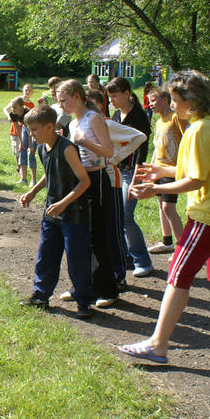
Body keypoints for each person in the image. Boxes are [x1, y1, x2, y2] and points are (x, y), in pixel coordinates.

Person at [118, 70, 210, 364]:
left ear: (191, 101)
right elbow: (198, 169)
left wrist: (154, 189)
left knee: (177, 275)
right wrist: (162, 171)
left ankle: (158, 344)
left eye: (175, 100)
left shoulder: (199, 130)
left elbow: (196, 180)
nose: (171, 105)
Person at [19, 104, 97, 320]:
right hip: (51, 213)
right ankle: (41, 295)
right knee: (46, 256)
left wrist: (64, 203)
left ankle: (84, 302)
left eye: (34, 130)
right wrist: (33, 191)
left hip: (73, 214)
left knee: (76, 259)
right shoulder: (44, 148)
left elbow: (84, 181)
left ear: (50, 127)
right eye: (29, 130)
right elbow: (49, 173)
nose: (31, 134)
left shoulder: (67, 148)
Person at [55, 79, 119, 308]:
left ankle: (108, 290)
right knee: (80, 235)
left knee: (97, 236)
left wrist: (84, 143)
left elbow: (109, 151)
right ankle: (82, 286)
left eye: (63, 100)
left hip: (98, 179)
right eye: (59, 101)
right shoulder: (73, 123)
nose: (61, 104)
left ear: (76, 96)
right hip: (81, 180)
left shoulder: (93, 118)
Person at [88, 89, 146, 288]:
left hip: (112, 181)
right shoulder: (81, 125)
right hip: (94, 182)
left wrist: (115, 158)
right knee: (99, 231)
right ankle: (102, 275)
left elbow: (139, 137)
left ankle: (121, 273)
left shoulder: (108, 124)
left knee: (115, 228)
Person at [107, 77, 154, 277]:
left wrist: (136, 178)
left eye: (115, 96)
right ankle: (125, 257)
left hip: (133, 172)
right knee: (117, 217)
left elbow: (140, 152)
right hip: (117, 171)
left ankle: (143, 260)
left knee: (126, 217)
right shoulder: (117, 114)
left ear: (127, 93)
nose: (112, 101)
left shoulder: (139, 116)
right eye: (110, 97)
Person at [146, 85, 188, 255]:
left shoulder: (176, 117)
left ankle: (182, 249)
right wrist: (151, 165)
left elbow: (190, 137)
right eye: (149, 101)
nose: (151, 104)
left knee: (168, 208)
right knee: (161, 205)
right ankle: (167, 241)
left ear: (165, 100)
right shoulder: (158, 121)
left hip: (173, 170)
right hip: (159, 169)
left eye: (154, 100)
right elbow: (157, 147)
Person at [3, 96, 28, 182]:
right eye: (12, 107)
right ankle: (22, 174)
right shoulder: (13, 114)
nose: (12, 109)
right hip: (25, 128)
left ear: (22, 107)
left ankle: (32, 178)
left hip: (32, 129)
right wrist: (21, 142)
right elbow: (17, 127)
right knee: (22, 150)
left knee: (31, 151)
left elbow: (30, 129)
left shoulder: (27, 114)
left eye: (15, 107)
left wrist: (30, 144)